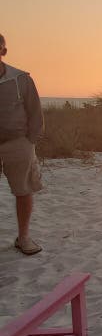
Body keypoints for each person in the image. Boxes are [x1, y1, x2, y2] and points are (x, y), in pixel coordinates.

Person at [0, 33, 44, 255]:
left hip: (18, 143)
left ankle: (24, 237)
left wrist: (30, 142)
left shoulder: (21, 79)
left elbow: (35, 112)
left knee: (23, 190)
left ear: (3, 51)